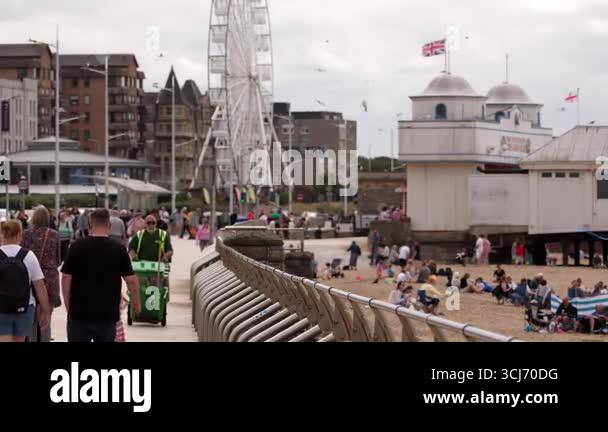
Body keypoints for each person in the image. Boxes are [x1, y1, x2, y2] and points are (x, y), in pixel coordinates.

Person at [61, 209, 141, 342]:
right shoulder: (118, 248)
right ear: (109, 226)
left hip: (79, 313)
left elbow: (65, 278)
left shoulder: (76, 247)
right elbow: (131, 280)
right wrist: (137, 304)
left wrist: (68, 305)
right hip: (107, 314)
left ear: (90, 226)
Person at [0, 220, 51, 342]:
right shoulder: (29, 255)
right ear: (19, 235)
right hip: (25, 308)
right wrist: (45, 311)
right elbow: (40, 287)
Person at [21, 206, 61, 342]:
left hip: (29, 275)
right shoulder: (54, 234)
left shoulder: (25, 234)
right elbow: (58, 258)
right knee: (46, 312)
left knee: (30, 310)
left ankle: (31, 338)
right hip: (50, 276)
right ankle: (45, 337)